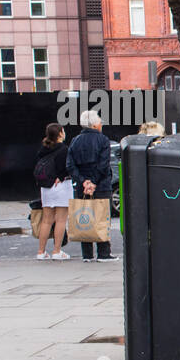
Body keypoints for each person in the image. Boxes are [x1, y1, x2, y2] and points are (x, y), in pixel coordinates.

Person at [66, 109, 118, 262]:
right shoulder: (103, 140)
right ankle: (103, 252)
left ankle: (87, 254)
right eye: (100, 121)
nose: (101, 124)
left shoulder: (75, 140)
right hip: (101, 185)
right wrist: (94, 182)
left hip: (82, 187)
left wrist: (83, 181)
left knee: (84, 216)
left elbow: (70, 165)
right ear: (95, 124)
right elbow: (103, 165)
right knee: (102, 217)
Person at [34, 124, 72, 260]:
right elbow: (66, 168)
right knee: (61, 220)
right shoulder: (64, 149)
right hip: (60, 186)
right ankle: (56, 251)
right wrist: (61, 177)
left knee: (46, 220)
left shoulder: (44, 148)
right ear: (60, 134)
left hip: (46, 187)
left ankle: (41, 252)